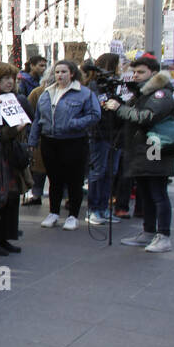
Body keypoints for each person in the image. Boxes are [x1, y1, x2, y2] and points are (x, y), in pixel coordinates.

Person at [106, 55, 174, 252]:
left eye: (141, 72)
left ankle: (163, 236)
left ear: (153, 73)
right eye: (134, 72)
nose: (136, 76)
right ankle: (148, 232)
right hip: (140, 150)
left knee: (158, 193)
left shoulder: (160, 94)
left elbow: (147, 117)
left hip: (154, 148)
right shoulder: (142, 93)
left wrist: (120, 108)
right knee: (145, 193)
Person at [28, 58, 100, 230]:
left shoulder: (84, 93)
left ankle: (73, 215)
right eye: (57, 72)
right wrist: (33, 140)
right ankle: (53, 212)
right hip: (49, 141)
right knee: (54, 178)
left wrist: (75, 124)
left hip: (73, 141)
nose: (60, 75)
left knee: (74, 179)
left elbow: (95, 115)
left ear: (72, 73)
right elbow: (38, 118)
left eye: (64, 72)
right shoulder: (47, 92)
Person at [0, 63, 27, 253]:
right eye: (4, 78)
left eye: (12, 78)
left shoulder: (15, 99)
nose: (9, 82)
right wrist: (12, 131)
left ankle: (4, 236)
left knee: (11, 196)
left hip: (10, 155)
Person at [86, 53, 124, 225]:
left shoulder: (116, 85)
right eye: (119, 64)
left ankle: (104, 207)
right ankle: (93, 209)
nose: (121, 67)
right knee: (99, 171)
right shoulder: (95, 86)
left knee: (111, 172)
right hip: (100, 134)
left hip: (116, 135)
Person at [20, 54, 49, 205]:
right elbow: (29, 110)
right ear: (31, 65)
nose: (42, 69)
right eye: (40, 65)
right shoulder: (29, 85)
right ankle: (35, 193)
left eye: (45, 66)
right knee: (37, 165)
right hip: (35, 131)